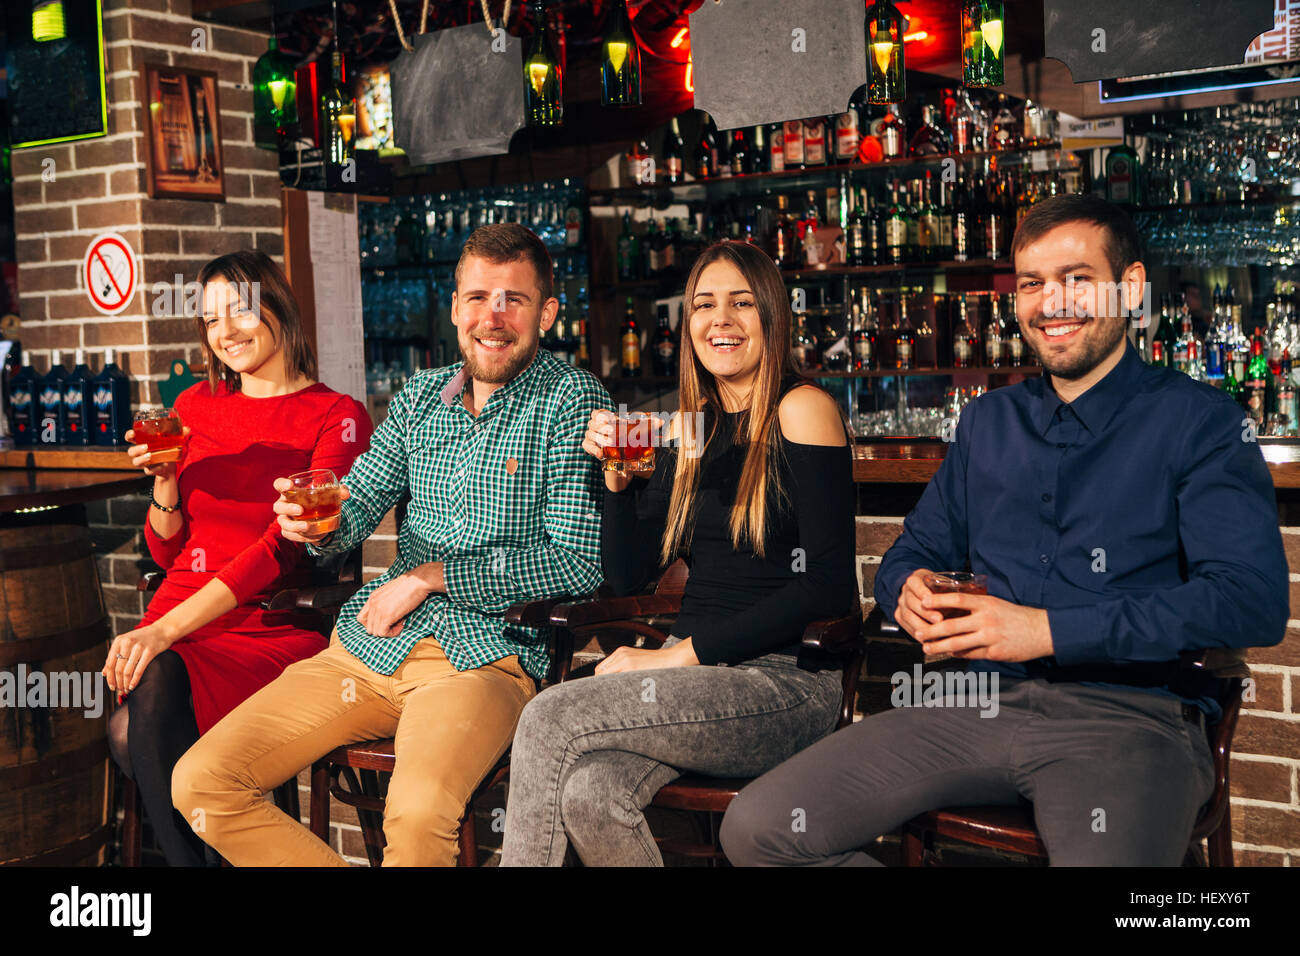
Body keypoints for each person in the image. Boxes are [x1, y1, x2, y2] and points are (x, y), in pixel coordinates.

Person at [719, 193, 1289, 867]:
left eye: (1076, 279)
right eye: (1031, 284)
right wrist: (910, 587)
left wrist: (1047, 629)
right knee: (756, 830)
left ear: (1130, 288)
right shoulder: (988, 423)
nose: (1052, 302)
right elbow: (912, 552)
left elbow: (1251, 600)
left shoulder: (1203, 423)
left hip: (1129, 722)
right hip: (970, 705)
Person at [171, 223, 609, 866]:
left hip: (484, 661)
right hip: (369, 647)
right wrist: (318, 525)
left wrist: (432, 577)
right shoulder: (422, 397)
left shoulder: (572, 400)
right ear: (455, 306)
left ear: (545, 312)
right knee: (202, 781)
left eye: (513, 300)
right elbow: (354, 508)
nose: (493, 317)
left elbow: (575, 564)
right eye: (478, 297)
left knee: (419, 813)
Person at [499, 240, 858, 866]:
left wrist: (676, 656)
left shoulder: (802, 410)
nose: (720, 320)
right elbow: (626, 575)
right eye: (704, 305)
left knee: (549, 716)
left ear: (771, 315)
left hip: (784, 683)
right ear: (686, 324)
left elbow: (826, 587)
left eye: (741, 303)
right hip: (693, 679)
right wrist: (615, 484)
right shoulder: (688, 428)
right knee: (590, 793)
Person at [105, 249, 373, 866]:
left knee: (143, 712)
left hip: (270, 620)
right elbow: (168, 549)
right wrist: (166, 483)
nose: (226, 332)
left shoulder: (337, 416)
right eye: (210, 320)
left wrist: (162, 630)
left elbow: (284, 550)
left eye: (241, 311)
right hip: (180, 612)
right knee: (137, 723)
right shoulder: (194, 406)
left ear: (279, 307)